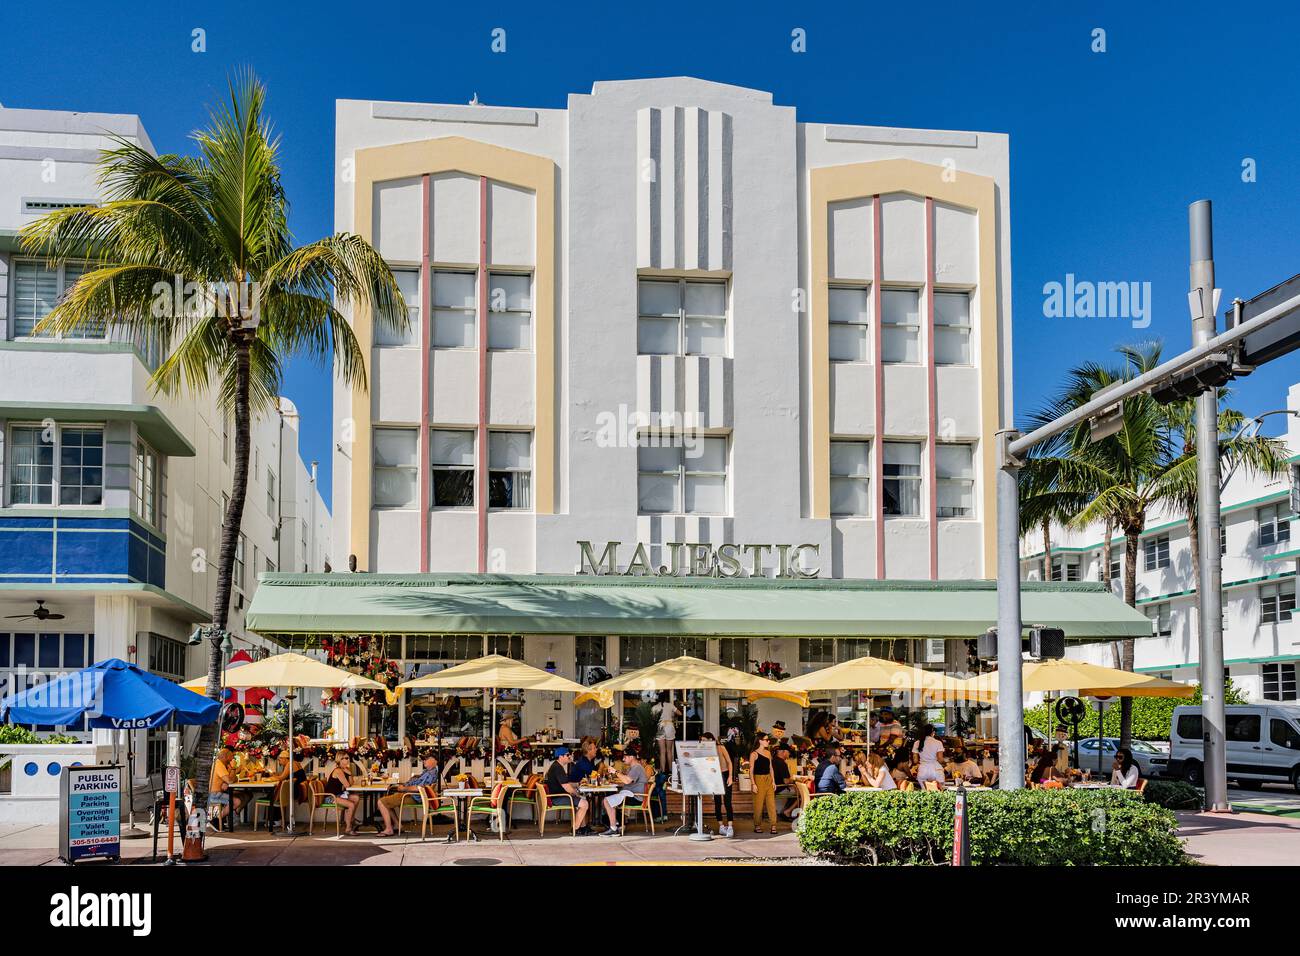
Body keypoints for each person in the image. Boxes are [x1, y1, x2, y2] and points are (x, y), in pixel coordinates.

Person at [377, 755, 440, 836]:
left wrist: (404, 788)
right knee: (387, 803)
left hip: (413, 796)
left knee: (381, 802)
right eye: (424, 759)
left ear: (434, 760)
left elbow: (420, 788)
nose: (424, 761)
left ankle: (389, 829)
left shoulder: (431, 774)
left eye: (426, 759)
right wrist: (410, 781)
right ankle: (397, 825)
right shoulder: (428, 772)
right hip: (411, 795)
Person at [601, 747, 649, 836]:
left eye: (625, 757)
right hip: (632, 795)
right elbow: (627, 782)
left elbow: (627, 781)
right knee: (609, 799)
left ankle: (613, 828)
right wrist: (615, 782)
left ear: (631, 757)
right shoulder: (634, 768)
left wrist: (615, 772)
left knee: (606, 801)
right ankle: (618, 824)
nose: (623, 759)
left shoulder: (637, 768)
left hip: (635, 797)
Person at [547, 747, 592, 834]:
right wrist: (576, 793)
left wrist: (578, 784)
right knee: (584, 803)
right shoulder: (558, 768)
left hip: (558, 796)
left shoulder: (556, 766)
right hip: (557, 798)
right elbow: (567, 787)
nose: (570, 757)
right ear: (560, 756)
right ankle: (575, 829)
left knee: (582, 801)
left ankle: (583, 827)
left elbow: (566, 783)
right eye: (567, 755)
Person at [701, 732, 734, 837]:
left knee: (727, 801)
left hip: (724, 774)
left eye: (704, 740)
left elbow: (729, 762)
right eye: (702, 741)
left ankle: (730, 826)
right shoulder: (704, 751)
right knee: (717, 802)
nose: (703, 742)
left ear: (711, 739)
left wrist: (730, 776)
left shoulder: (720, 747)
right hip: (713, 776)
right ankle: (721, 826)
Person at [749, 733, 780, 833]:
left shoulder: (768, 753)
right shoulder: (754, 754)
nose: (768, 741)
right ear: (760, 741)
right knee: (758, 804)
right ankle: (757, 825)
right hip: (758, 779)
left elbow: (771, 768)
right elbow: (751, 770)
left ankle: (773, 825)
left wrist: (774, 781)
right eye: (766, 740)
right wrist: (753, 784)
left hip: (768, 780)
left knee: (771, 803)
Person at [325, 753, 361, 834]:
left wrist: (349, 773)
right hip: (330, 797)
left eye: (348, 757)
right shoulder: (338, 771)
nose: (347, 759)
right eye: (345, 758)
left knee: (356, 798)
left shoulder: (344, 769)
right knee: (351, 805)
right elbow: (348, 785)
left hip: (339, 795)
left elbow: (351, 783)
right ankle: (348, 828)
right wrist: (348, 773)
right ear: (340, 760)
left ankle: (351, 818)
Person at [208, 748, 242, 827]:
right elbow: (230, 781)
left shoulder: (222, 764)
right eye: (230, 757)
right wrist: (233, 769)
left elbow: (233, 779)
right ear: (224, 757)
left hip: (217, 793)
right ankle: (216, 820)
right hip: (213, 794)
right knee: (237, 802)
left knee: (238, 799)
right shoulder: (219, 765)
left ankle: (221, 819)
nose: (231, 759)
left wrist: (226, 781)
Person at [653, 692, 679, 775]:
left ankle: (663, 770)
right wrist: (673, 716)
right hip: (669, 726)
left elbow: (652, 718)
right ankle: (671, 771)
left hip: (660, 726)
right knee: (669, 750)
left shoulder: (655, 707)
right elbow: (680, 713)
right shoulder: (670, 705)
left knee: (662, 751)